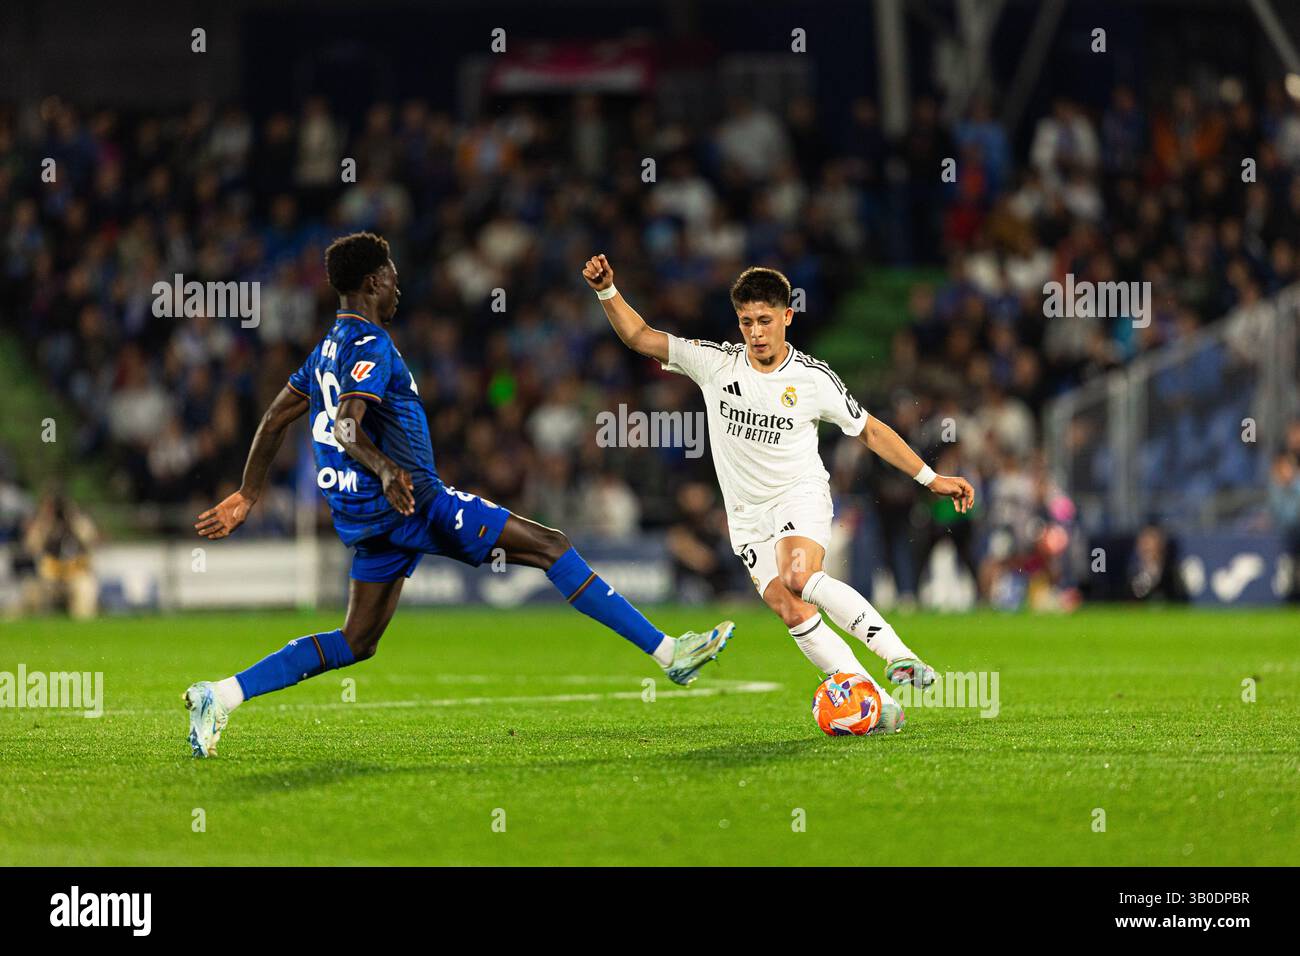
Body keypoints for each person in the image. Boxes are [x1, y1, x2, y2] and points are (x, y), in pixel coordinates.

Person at [182, 232, 731, 758]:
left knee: (356, 641)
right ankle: (669, 653)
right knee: (551, 546)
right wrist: (386, 469)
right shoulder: (369, 342)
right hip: (415, 502)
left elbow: (277, 416)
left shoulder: (326, 347)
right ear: (374, 281)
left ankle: (221, 694)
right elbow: (349, 427)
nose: (398, 286)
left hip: (366, 518)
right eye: (393, 277)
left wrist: (248, 493)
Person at [583, 254, 975, 733]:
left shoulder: (812, 378)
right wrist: (607, 291)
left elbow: (869, 430)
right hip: (747, 517)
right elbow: (640, 336)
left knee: (798, 576)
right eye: (746, 321)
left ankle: (899, 656)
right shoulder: (715, 364)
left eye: (765, 320)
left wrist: (931, 479)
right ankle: (867, 698)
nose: (756, 332)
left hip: (799, 496)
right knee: (791, 608)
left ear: (787, 316)